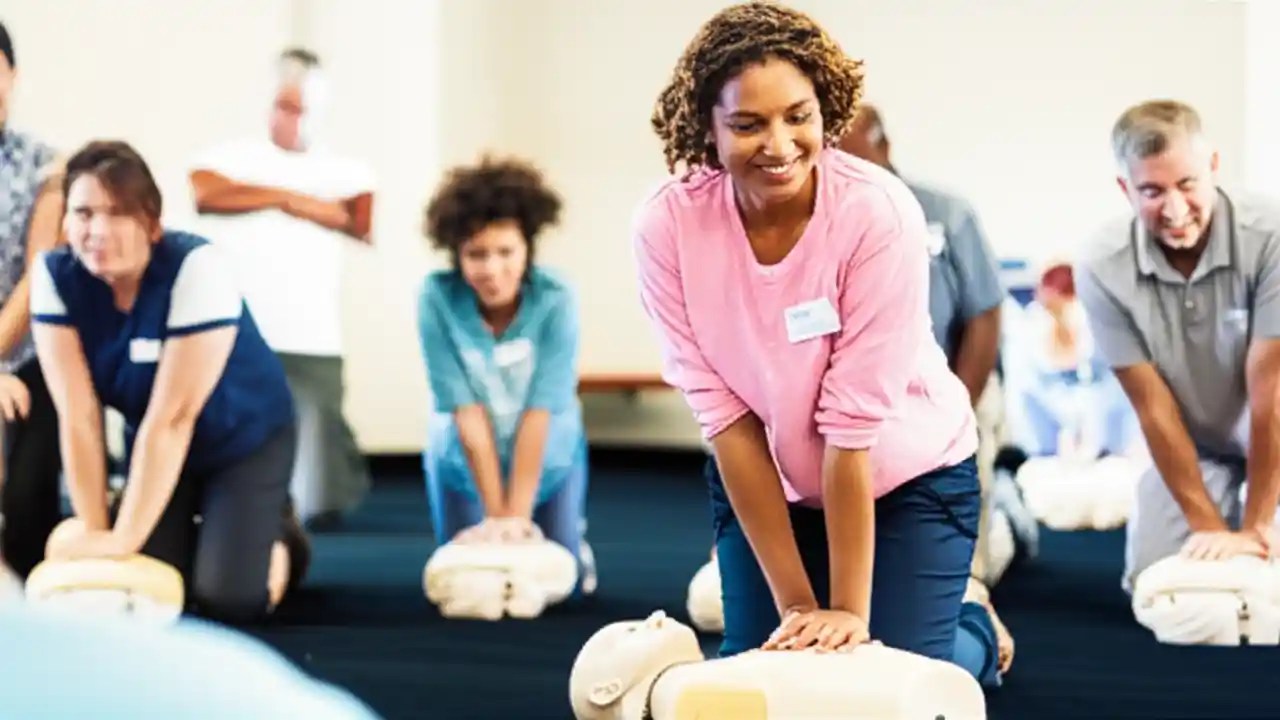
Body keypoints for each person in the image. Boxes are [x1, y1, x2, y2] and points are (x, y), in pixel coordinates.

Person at [634, 1, 1007, 687]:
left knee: (889, 682)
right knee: (761, 677)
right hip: (768, 477)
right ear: (707, 130)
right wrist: (801, 607)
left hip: (907, 476)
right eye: (748, 124)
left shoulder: (878, 211)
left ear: (825, 111)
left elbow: (851, 428)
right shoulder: (668, 225)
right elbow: (727, 421)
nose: (779, 144)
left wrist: (850, 618)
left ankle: (972, 626)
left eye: (798, 117)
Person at [30, 140, 309, 623]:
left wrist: (120, 542)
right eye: (83, 213)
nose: (97, 230)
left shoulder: (196, 268)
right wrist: (100, 544)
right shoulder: (55, 276)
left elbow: (174, 419)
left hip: (243, 439)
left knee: (227, 600)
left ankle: (281, 534)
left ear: (152, 224)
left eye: (118, 213)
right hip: (157, 447)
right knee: (160, 588)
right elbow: (79, 418)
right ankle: (212, 527)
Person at [1076, 99, 1280, 592]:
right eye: (1152, 190)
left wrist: (1254, 529)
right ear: (1125, 189)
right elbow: (1152, 407)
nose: (1174, 209)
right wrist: (1208, 526)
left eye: (1187, 184)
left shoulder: (1271, 234)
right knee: (1160, 585)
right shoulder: (1102, 264)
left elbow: (1272, 389)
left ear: (1213, 167)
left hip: (1273, 431)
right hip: (1197, 446)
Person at [837, 104, 1036, 593]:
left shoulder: (947, 214)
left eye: (857, 161)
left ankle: (1007, 519)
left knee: (967, 575)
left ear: (883, 146)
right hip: (867, 400)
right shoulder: (830, 217)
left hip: (956, 382)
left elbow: (985, 316)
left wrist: (954, 409)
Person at [189, 47, 374, 530]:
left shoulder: (346, 169)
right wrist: (291, 199)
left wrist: (275, 197)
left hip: (314, 330)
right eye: (281, 104)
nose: (287, 117)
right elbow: (206, 193)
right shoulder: (231, 156)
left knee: (322, 490)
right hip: (245, 323)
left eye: (298, 107)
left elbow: (357, 220)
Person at [418, 156, 595, 595]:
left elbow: (541, 409)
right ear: (456, 255)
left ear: (528, 249)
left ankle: (575, 540)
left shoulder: (557, 299)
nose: (492, 270)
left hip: (548, 454)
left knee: (558, 583)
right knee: (466, 582)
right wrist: (495, 520)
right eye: (476, 254)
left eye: (505, 252)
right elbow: (465, 411)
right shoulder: (435, 299)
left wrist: (514, 519)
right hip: (463, 458)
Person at [0, 19, 68, 578]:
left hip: (29, 352)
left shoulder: (48, 165)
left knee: (26, 514)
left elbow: (39, 270)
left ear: (12, 76)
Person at [1005, 262, 1138, 459]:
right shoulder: (1032, 325)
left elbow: (1094, 372)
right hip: (1049, 417)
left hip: (1101, 410)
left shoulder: (1091, 318)